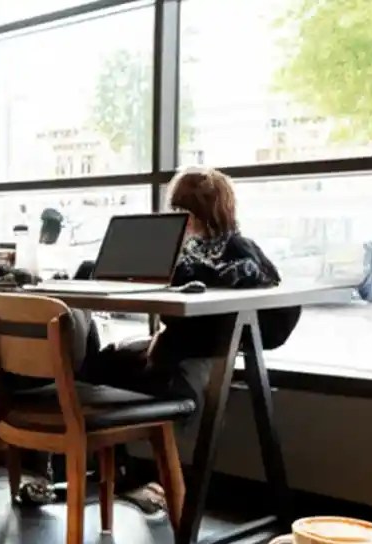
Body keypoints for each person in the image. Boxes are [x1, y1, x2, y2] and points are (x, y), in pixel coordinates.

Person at [73, 166, 287, 518]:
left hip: (195, 353)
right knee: (94, 362)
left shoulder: (234, 247)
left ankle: (135, 477)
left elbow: (253, 277)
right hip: (178, 347)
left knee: (101, 367)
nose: (179, 219)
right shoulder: (180, 250)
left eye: (183, 211)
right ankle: (122, 474)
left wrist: (187, 276)